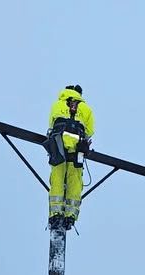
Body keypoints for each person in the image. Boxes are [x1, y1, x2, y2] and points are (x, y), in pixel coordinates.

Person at [44, 85, 95, 230]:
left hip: (58, 145)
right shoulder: (86, 109)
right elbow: (90, 131)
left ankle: (55, 214)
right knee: (75, 181)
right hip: (77, 148)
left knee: (57, 179)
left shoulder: (57, 104)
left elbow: (51, 123)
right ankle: (70, 217)